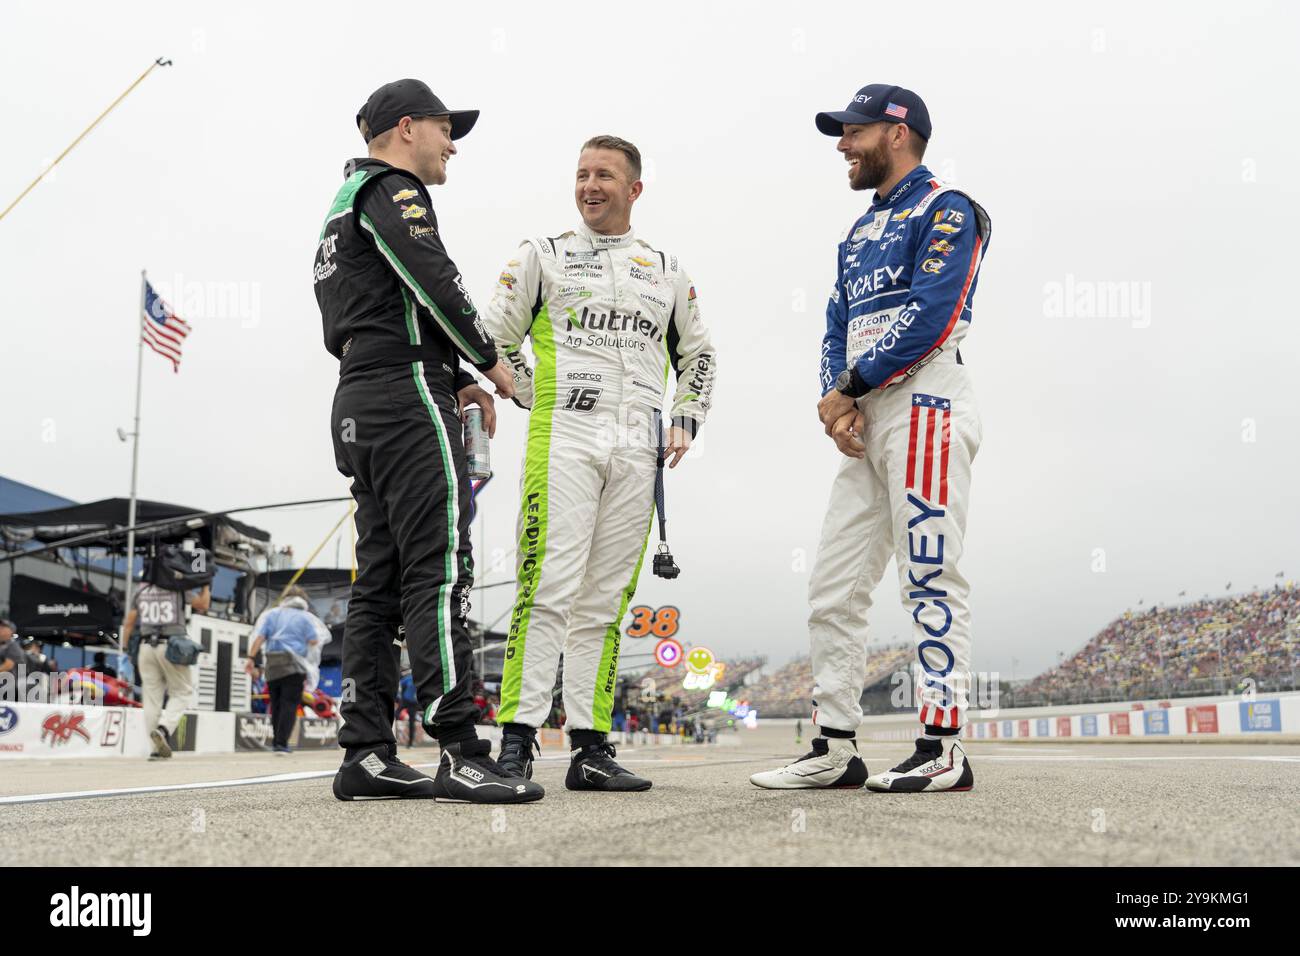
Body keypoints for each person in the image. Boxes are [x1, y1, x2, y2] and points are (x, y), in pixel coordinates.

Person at [752, 85, 990, 793]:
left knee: (928, 573)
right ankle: (835, 747)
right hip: (869, 413)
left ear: (896, 132)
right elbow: (836, 322)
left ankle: (943, 746)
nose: (842, 145)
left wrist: (851, 386)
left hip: (926, 402)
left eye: (852, 132)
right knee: (833, 586)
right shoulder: (857, 233)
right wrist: (841, 403)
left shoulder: (948, 207)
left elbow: (935, 312)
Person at [313, 78, 542, 804]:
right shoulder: (393, 191)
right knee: (441, 567)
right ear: (406, 127)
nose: (453, 146)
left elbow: (386, 307)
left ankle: (366, 752)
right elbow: (434, 277)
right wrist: (494, 364)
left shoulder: (342, 204)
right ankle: (462, 750)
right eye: (448, 130)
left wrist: (454, 375)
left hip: (362, 397)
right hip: (408, 404)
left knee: (376, 581)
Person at [485, 135, 718, 792]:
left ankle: (590, 748)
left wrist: (686, 417)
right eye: (582, 174)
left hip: (638, 446)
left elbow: (699, 355)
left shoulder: (666, 267)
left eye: (605, 176)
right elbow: (490, 335)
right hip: (566, 437)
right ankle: (517, 742)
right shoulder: (543, 254)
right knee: (548, 588)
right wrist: (535, 393)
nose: (590, 186)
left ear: (634, 189)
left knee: (605, 601)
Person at [120, 579, 211, 759]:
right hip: (172, 645)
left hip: (146, 647)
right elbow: (202, 605)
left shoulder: (140, 590)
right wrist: (206, 585)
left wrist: (125, 648)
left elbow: (129, 621)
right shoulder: (175, 587)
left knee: (152, 699)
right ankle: (164, 729)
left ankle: (155, 749)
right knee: (183, 691)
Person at [245, 587, 324, 754]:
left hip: (273, 663)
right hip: (294, 665)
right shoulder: (305, 618)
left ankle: (276, 741)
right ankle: (281, 743)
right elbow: (314, 640)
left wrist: (251, 658)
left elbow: (260, 637)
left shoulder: (272, 615)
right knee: (290, 703)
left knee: (276, 703)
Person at [0, 619, 26, 702]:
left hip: (10, 686)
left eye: (3, 627)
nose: (0, 629)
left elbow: (8, 665)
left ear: (11, 631)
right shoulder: (3, 645)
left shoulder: (12, 645)